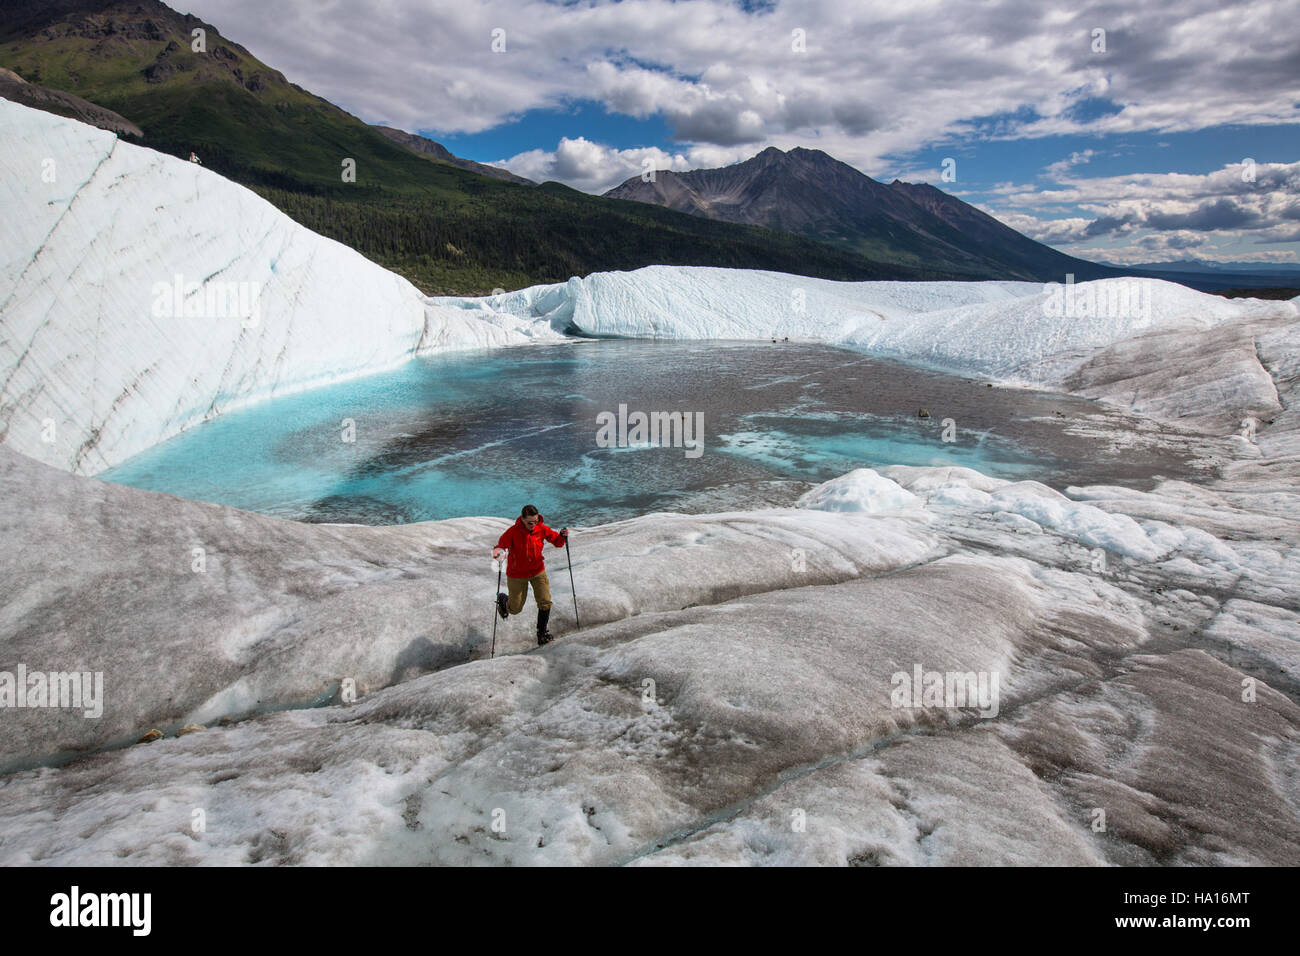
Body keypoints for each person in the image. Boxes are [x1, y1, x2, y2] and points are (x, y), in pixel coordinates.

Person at [492, 504, 569, 645]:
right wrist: (498, 553)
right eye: (529, 523)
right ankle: (503, 601)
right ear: (522, 519)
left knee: (545, 602)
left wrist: (562, 537)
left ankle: (542, 634)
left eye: (535, 521)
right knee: (515, 609)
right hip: (517, 575)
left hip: (537, 571)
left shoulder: (541, 528)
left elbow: (557, 543)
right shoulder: (513, 532)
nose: (533, 525)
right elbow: (501, 545)